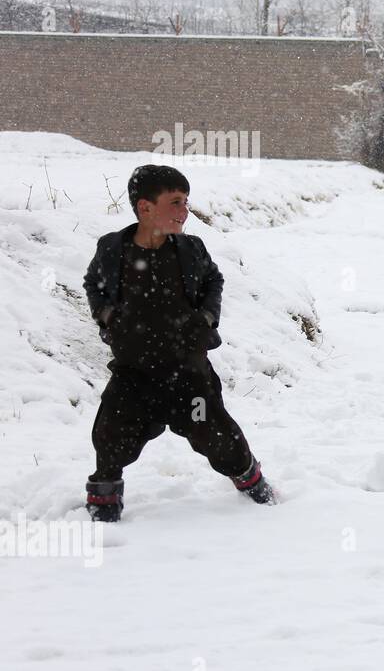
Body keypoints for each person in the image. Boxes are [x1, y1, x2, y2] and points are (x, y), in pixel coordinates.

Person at [82, 164, 275, 522]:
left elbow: (214, 280)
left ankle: (252, 481)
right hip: (134, 373)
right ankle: (104, 502)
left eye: (186, 202)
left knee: (218, 437)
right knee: (111, 434)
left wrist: (204, 319)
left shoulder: (190, 249)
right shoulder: (112, 249)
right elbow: (93, 284)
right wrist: (107, 317)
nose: (185, 212)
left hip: (188, 374)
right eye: (175, 202)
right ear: (145, 208)